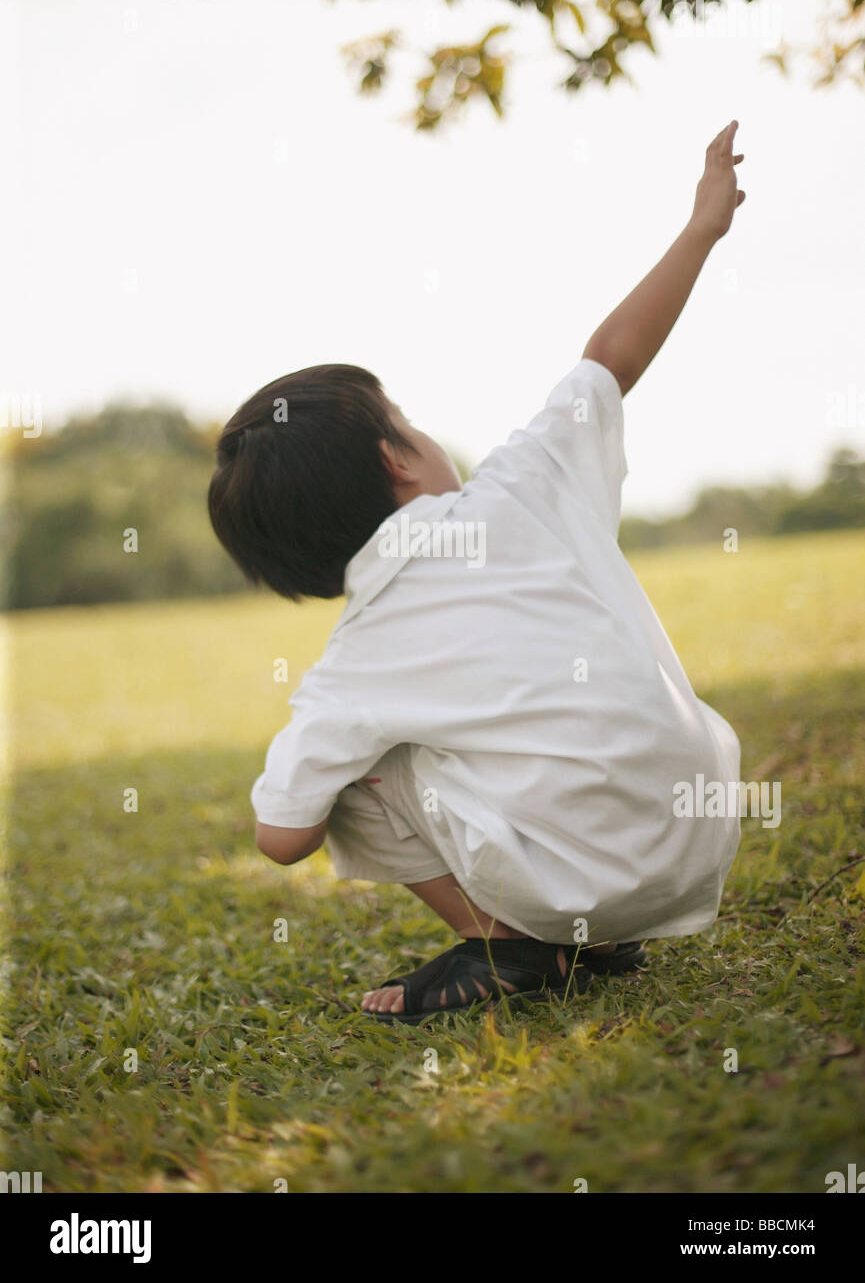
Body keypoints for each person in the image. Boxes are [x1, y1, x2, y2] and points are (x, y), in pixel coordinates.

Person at [208, 122, 747, 1024]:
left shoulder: (352, 662)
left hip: (573, 875)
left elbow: (280, 838)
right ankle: (590, 938)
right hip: (695, 838)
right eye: (409, 421)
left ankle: (508, 942)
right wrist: (700, 227)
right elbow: (610, 359)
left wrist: (352, 751)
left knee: (360, 768)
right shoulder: (522, 490)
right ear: (399, 464)